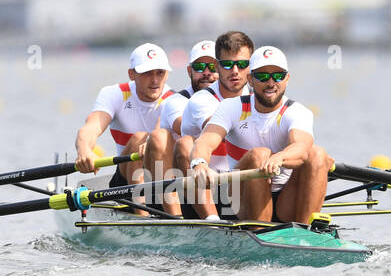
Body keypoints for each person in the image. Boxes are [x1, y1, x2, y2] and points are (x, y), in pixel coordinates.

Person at [189, 45, 329, 223]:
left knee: (317, 154)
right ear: (250, 79)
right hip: (241, 198)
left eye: (277, 76)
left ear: (287, 78)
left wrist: (279, 158)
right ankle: (259, 230)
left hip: (286, 198)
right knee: (259, 154)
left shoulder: (298, 112)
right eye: (262, 76)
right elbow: (205, 142)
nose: (271, 83)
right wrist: (199, 163)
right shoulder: (232, 107)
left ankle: (305, 233)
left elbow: (301, 148)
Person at [74, 43, 178, 208]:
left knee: (151, 139)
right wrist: (85, 150)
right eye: (147, 73)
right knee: (138, 139)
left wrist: (150, 142)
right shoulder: (115, 94)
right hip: (124, 184)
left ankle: (171, 217)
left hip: (163, 178)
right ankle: (141, 213)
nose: (155, 80)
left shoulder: (173, 99)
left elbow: (159, 129)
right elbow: (91, 127)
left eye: (160, 73)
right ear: (132, 74)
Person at [166, 30, 253, 219]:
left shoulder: (260, 96)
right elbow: (223, 131)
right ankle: (212, 222)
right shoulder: (201, 100)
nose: (235, 71)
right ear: (219, 66)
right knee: (185, 144)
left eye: (242, 64)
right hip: (202, 185)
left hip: (240, 184)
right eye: (228, 64)